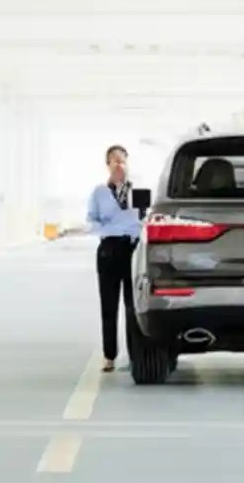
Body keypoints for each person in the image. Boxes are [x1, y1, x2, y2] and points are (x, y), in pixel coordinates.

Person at [86, 144, 143, 372]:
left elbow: (146, 218)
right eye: (114, 160)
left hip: (132, 249)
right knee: (109, 306)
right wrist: (107, 230)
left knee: (133, 306)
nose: (119, 164)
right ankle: (109, 355)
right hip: (109, 249)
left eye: (122, 160)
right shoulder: (99, 192)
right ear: (107, 164)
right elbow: (91, 221)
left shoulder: (138, 189)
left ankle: (135, 355)